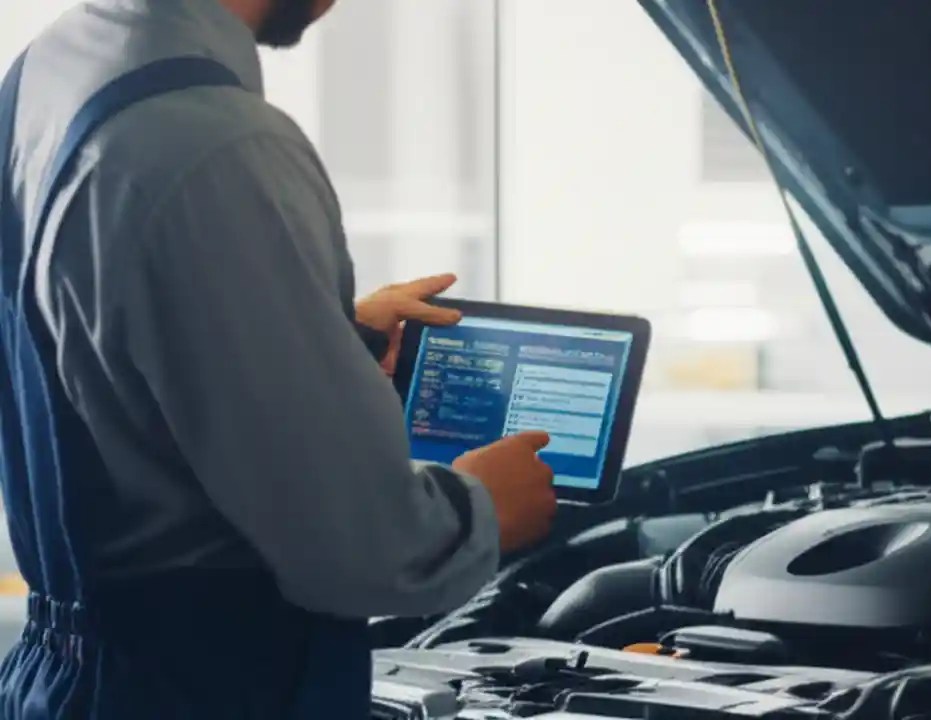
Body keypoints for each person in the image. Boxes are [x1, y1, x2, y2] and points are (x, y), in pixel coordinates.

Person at [0, 0, 557, 717]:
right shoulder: (217, 143)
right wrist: (484, 509)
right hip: (206, 690)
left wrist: (316, 334)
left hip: (70, 680)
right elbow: (365, 550)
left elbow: (96, 349)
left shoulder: (50, 71)